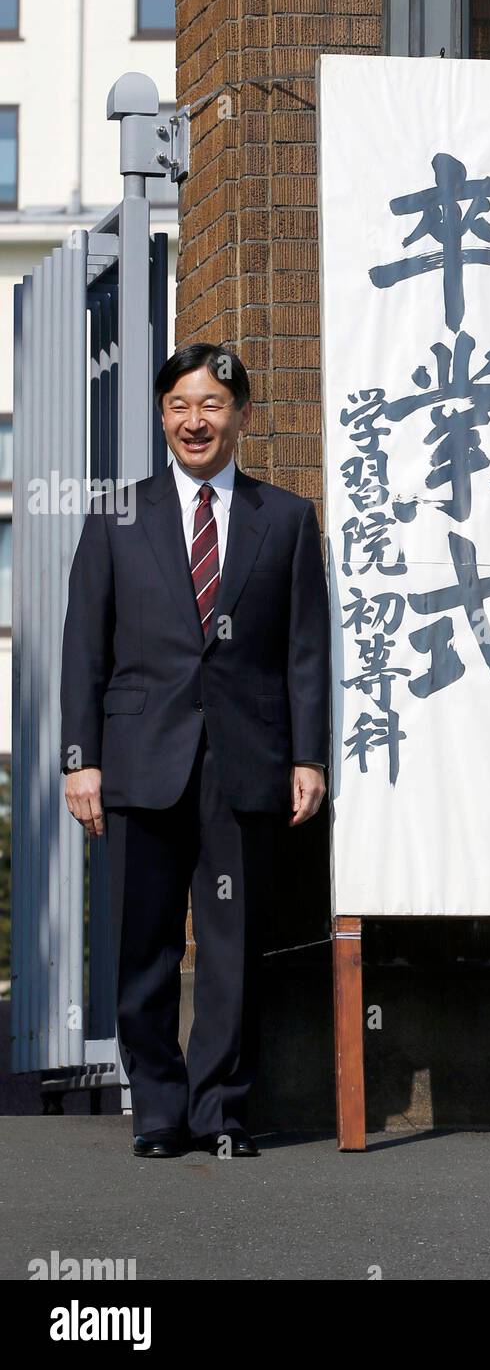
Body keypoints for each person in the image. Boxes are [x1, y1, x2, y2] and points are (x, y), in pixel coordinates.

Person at [60, 343, 331, 1159]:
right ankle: (157, 1109)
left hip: (245, 763)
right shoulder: (116, 516)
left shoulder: (282, 519)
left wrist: (308, 757)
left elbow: (306, 654)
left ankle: (221, 1111)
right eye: (179, 404)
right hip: (139, 759)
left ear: (242, 416)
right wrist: (82, 760)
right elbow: (84, 648)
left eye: (212, 404)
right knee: (141, 943)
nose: (194, 420)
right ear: (162, 414)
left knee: (232, 947)